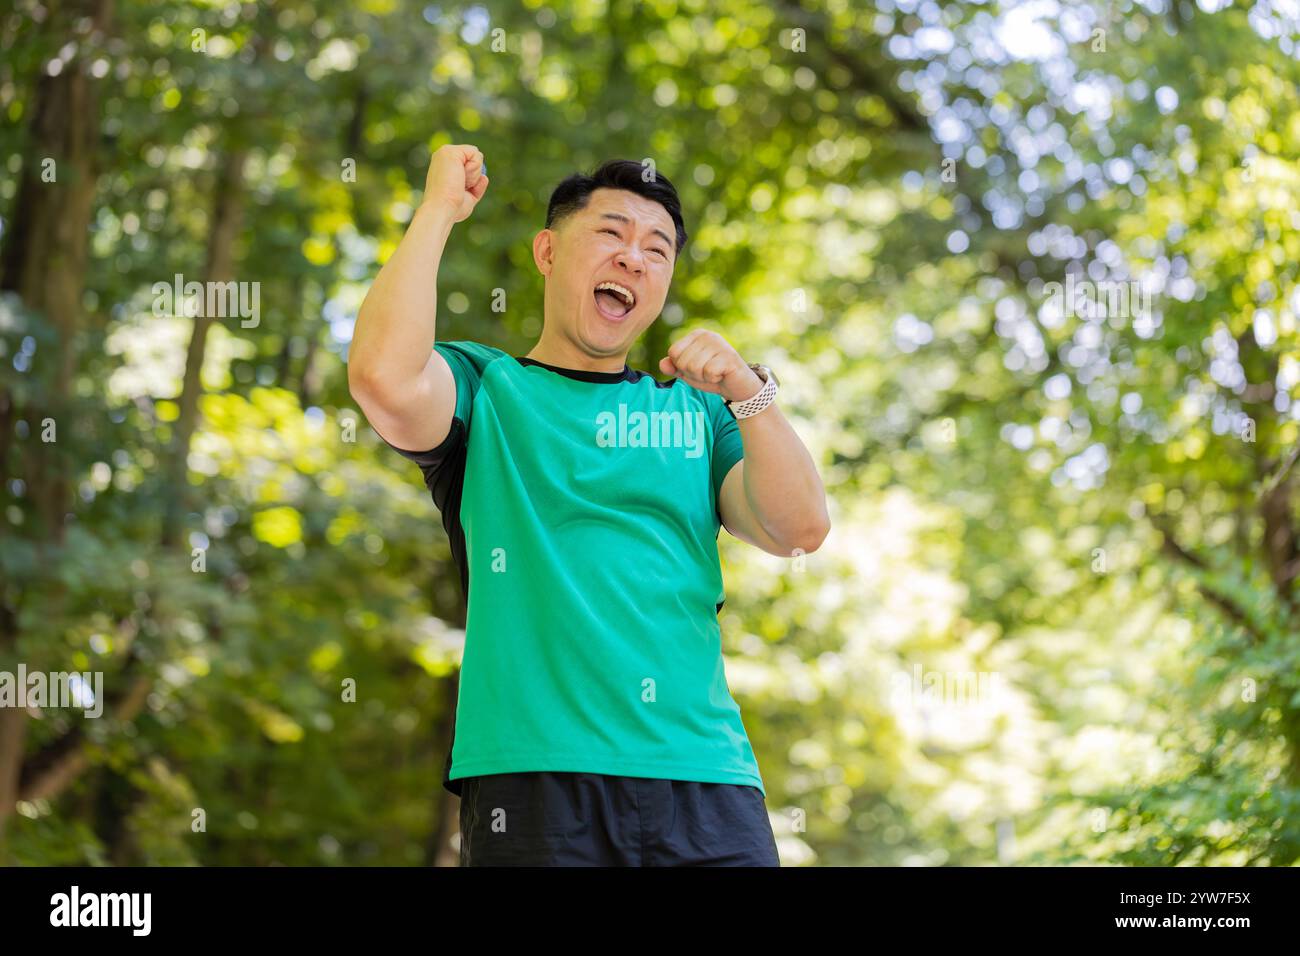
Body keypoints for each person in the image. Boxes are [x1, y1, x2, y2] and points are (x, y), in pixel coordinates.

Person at [349, 144, 830, 866]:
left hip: (705, 782)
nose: (633, 258)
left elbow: (800, 529)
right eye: (610, 233)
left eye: (656, 249)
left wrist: (748, 392)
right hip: (534, 781)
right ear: (548, 251)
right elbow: (383, 378)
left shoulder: (700, 416)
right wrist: (439, 210)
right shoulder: (488, 393)